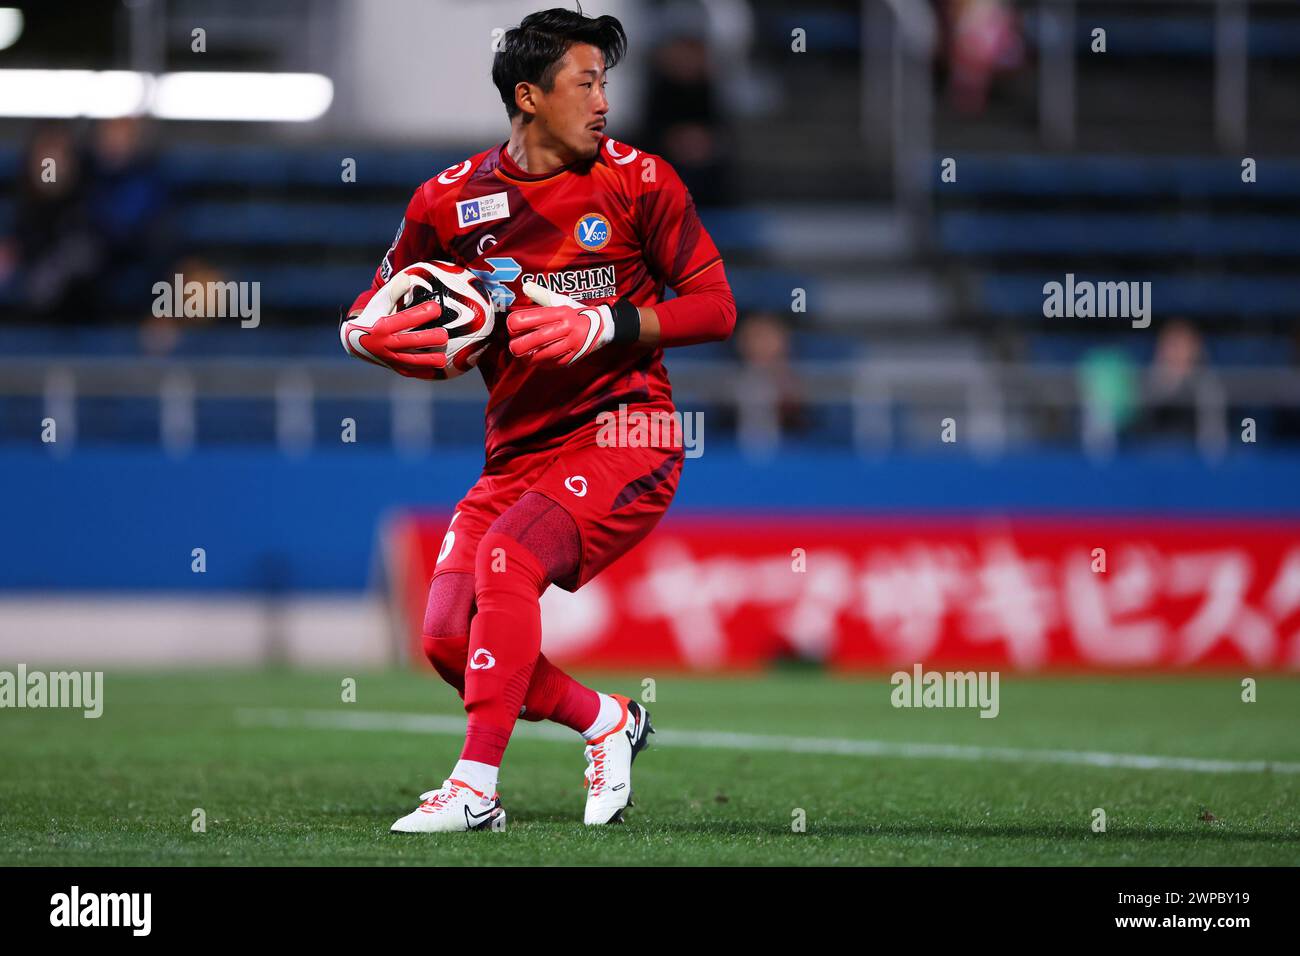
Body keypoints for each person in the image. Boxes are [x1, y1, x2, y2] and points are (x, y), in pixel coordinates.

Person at [341, 6, 735, 832]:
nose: (602, 102)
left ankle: (475, 789)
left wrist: (609, 323)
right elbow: (373, 307)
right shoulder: (447, 203)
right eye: (585, 83)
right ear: (528, 95)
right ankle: (607, 722)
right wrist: (361, 335)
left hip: (632, 431)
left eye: (605, 83)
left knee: (510, 559)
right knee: (449, 638)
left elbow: (716, 307)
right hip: (518, 454)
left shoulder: (642, 181)